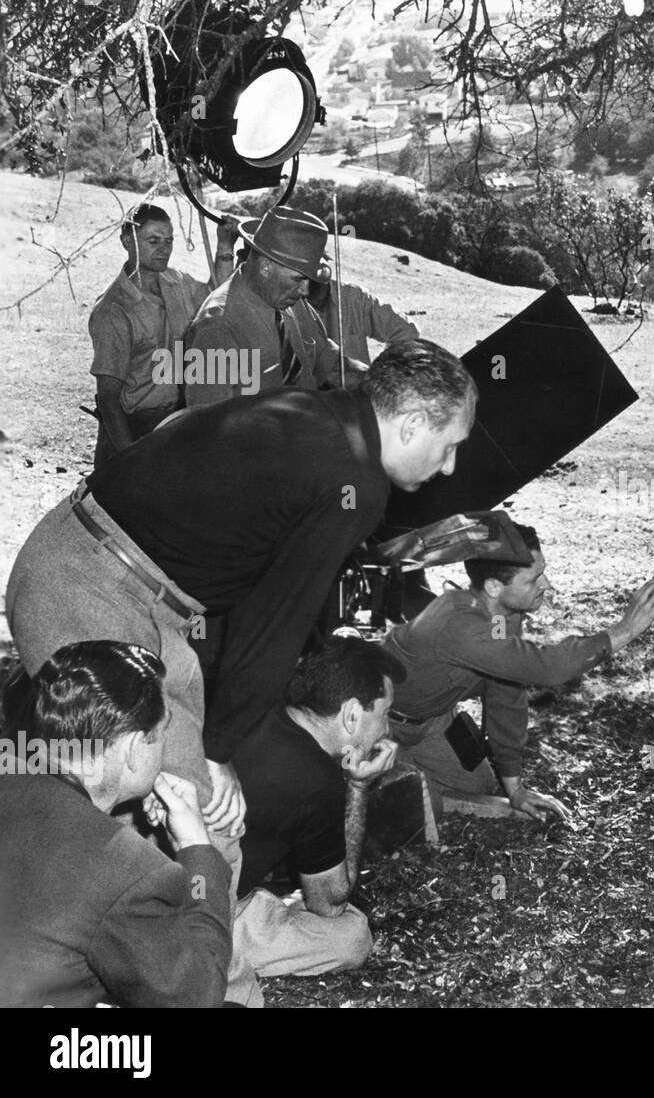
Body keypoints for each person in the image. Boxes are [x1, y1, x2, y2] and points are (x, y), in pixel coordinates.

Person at [5, 339, 476, 1005]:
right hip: (88, 583)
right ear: (410, 423)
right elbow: (274, 623)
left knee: (176, 783)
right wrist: (220, 751)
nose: (449, 464)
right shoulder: (354, 480)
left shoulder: (325, 416)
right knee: (205, 815)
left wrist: (216, 735)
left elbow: (249, 593)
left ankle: (121, 949)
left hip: (124, 573)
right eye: (450, 443)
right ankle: (212, 990)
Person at [382, 524, 654, 820]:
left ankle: (412, 776)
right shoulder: (460, 624)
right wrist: (624, 630)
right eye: (534, 579)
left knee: (479, 785)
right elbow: (546, 667)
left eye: (542, 572)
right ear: (494, 587)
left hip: (431, 720)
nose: (545, 584)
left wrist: (515, 789)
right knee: (413, 803)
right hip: (378, 723)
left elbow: (506, 695)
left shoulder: (502, 619)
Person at [0, 641, 231, 1007]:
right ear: (132, 749)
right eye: (162, 732)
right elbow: (197, 997)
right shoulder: (126, 868)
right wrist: (197, 850)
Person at [231, 637, 402, 981]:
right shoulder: (317, 784)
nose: (387, 729)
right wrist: (357, 787)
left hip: (163, 872)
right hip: (190, 914)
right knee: (352, 936)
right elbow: (331, 903)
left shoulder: (260, 707)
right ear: (352, 715)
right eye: (385, 715)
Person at [89, 203, 237, 467]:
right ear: (127, 241)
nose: (164, 249)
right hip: (134, 430)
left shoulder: (176, 282)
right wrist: (133, 459)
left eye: (168, 241)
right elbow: (109, 401)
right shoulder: (114, 310)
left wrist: (225, 246)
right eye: (153, 240)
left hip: (176, 422)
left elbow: (218, 295)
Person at [182, 206, 354, 405]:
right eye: (298, 279)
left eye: (308, 281)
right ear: (266, 267)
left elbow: (329, 363)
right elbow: (207, 424)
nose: (305, 291)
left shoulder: (291, 300)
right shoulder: (217, 329)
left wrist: (378, 381)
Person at [306, 278, 421, 364]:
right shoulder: (288, 303)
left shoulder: (354, 298)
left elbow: (407, 332)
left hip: (353, 393)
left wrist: (380, 371)